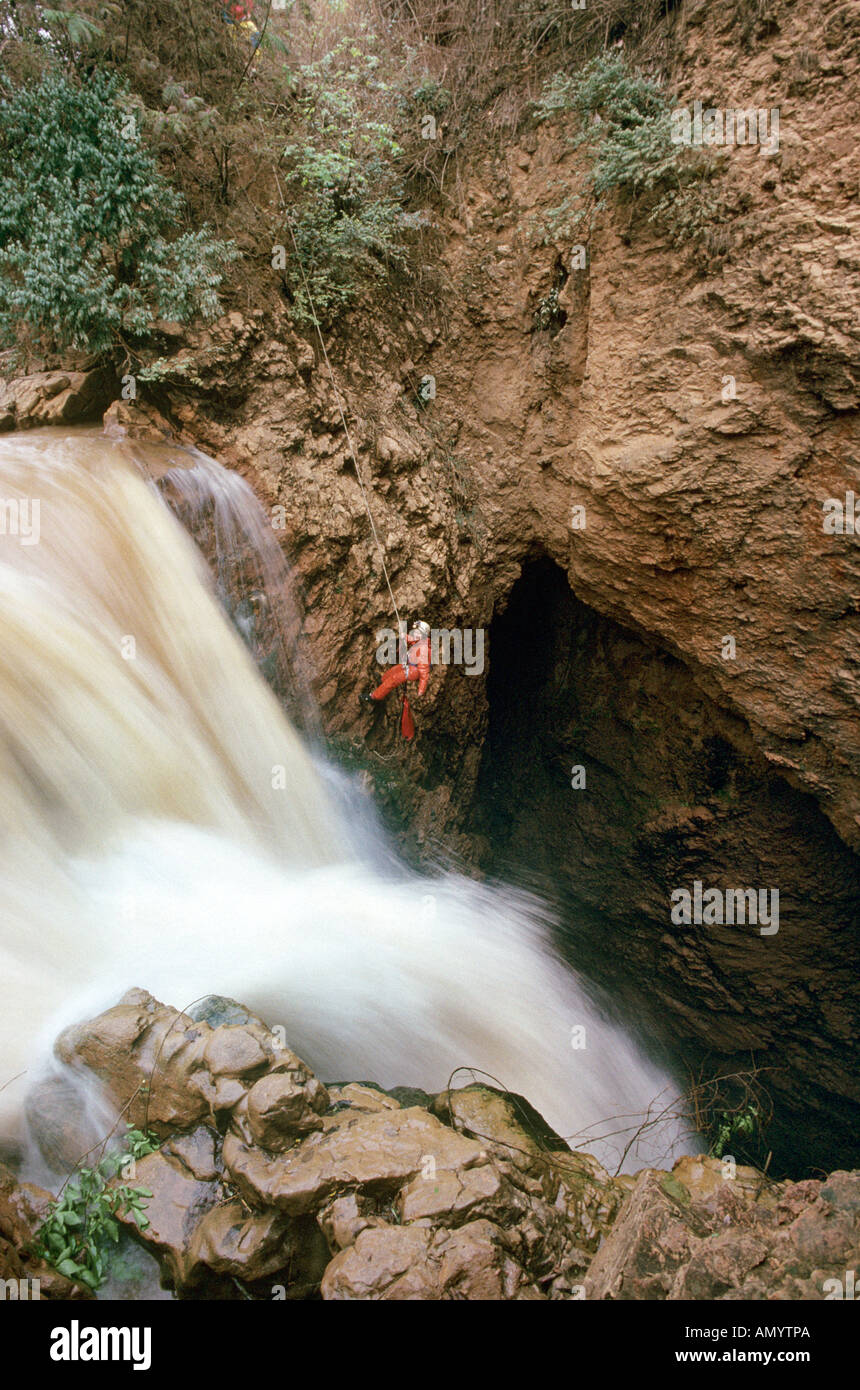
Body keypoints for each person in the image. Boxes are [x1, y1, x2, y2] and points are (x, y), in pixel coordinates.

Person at [362, 621, 432, 703]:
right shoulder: (419, 640)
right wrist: (404, 636)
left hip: (414, 671)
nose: (415, 634)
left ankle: (374, 697)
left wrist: (421, 690)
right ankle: (382, 681)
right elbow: (412, 640)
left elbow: (424, 672)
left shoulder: (424, 649)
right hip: (409, 665)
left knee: (393, 679)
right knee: (393, 670)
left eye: (418, 633)